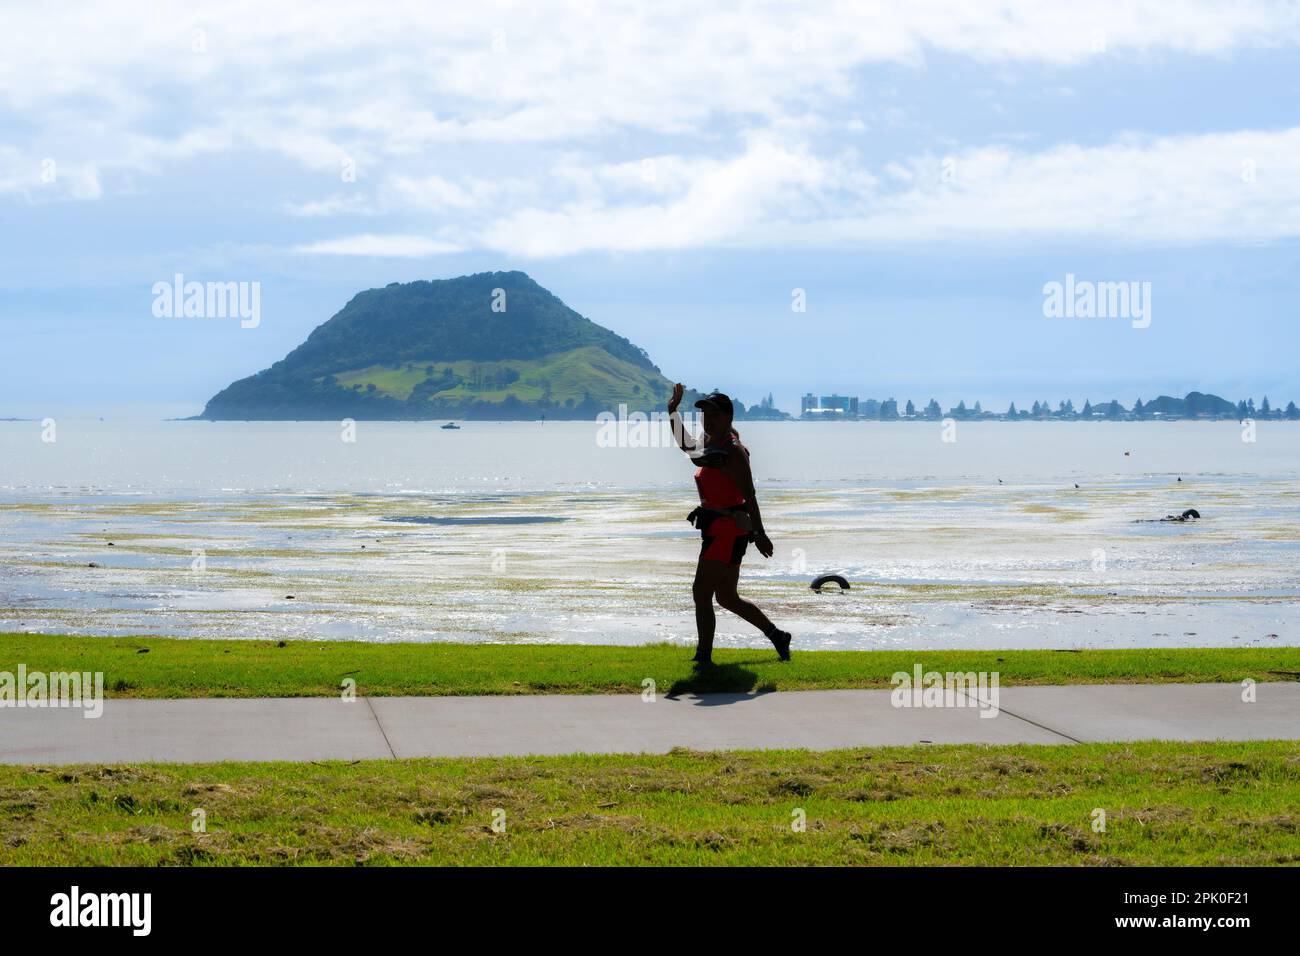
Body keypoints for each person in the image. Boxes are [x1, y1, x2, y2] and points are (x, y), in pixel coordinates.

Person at [667, 383, 792, 664]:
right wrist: (672, 412)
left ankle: (703, 657)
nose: (707, 420)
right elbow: (688, 448)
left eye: (713, 415)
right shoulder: (710, 444)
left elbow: (750, 495)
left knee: (701, 592)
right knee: (726, 597)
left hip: (728, 530)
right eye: (704, 415)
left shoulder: (733, 452)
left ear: (728, 417)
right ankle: (777, 635)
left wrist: (759, 533)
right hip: (718, 528)